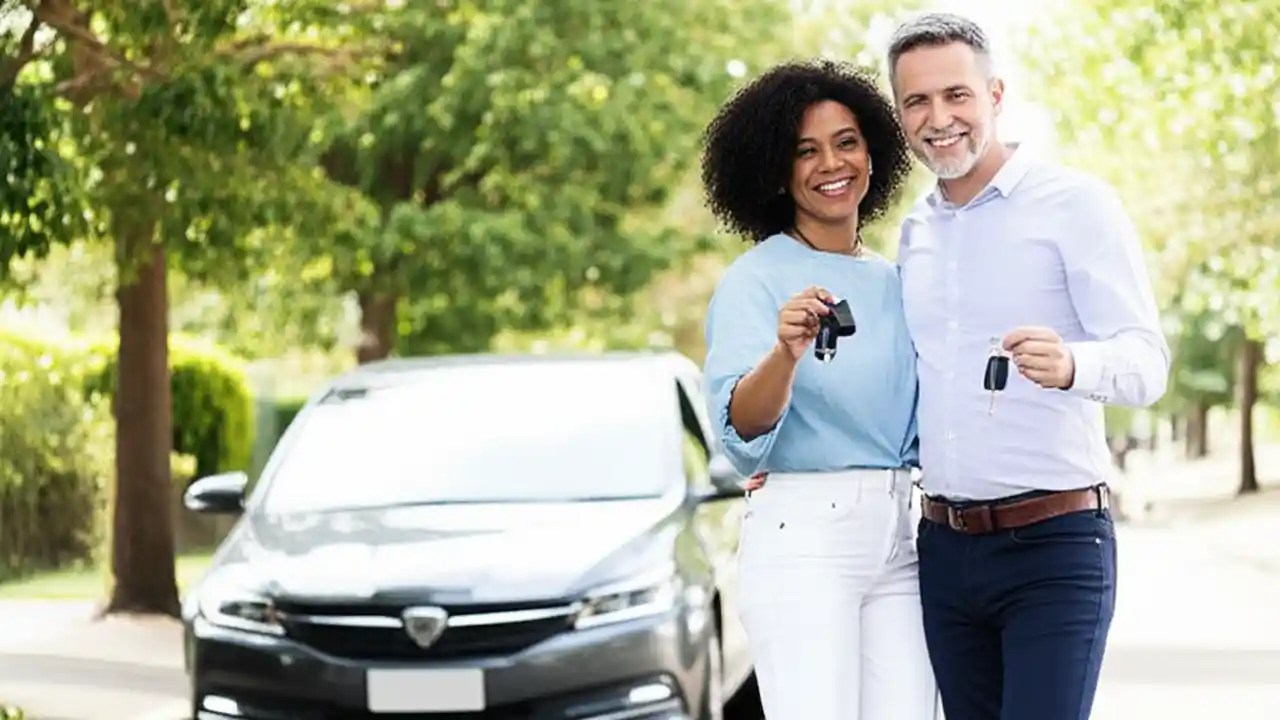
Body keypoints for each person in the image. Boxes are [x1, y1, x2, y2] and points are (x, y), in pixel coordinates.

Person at [887, 12, 1171, 720]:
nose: (939, 118)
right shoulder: (914, 233)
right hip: (943, 553)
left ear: (996, 95)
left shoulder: (1075, 205)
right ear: (900, 116)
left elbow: (1146, 362)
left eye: (956, 95)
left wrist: (1074, 363)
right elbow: (912, 389)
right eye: (916, 102)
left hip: (1054, 547)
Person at [700, 60, 938, 720]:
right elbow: (741, 429)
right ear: (776, 171)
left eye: (847, 141)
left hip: (900, 535)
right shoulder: (756, 280)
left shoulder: (896, 282)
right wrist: (785, 353)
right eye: (805, 150)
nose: (831, 163)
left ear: (873, 153)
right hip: (805, 536)